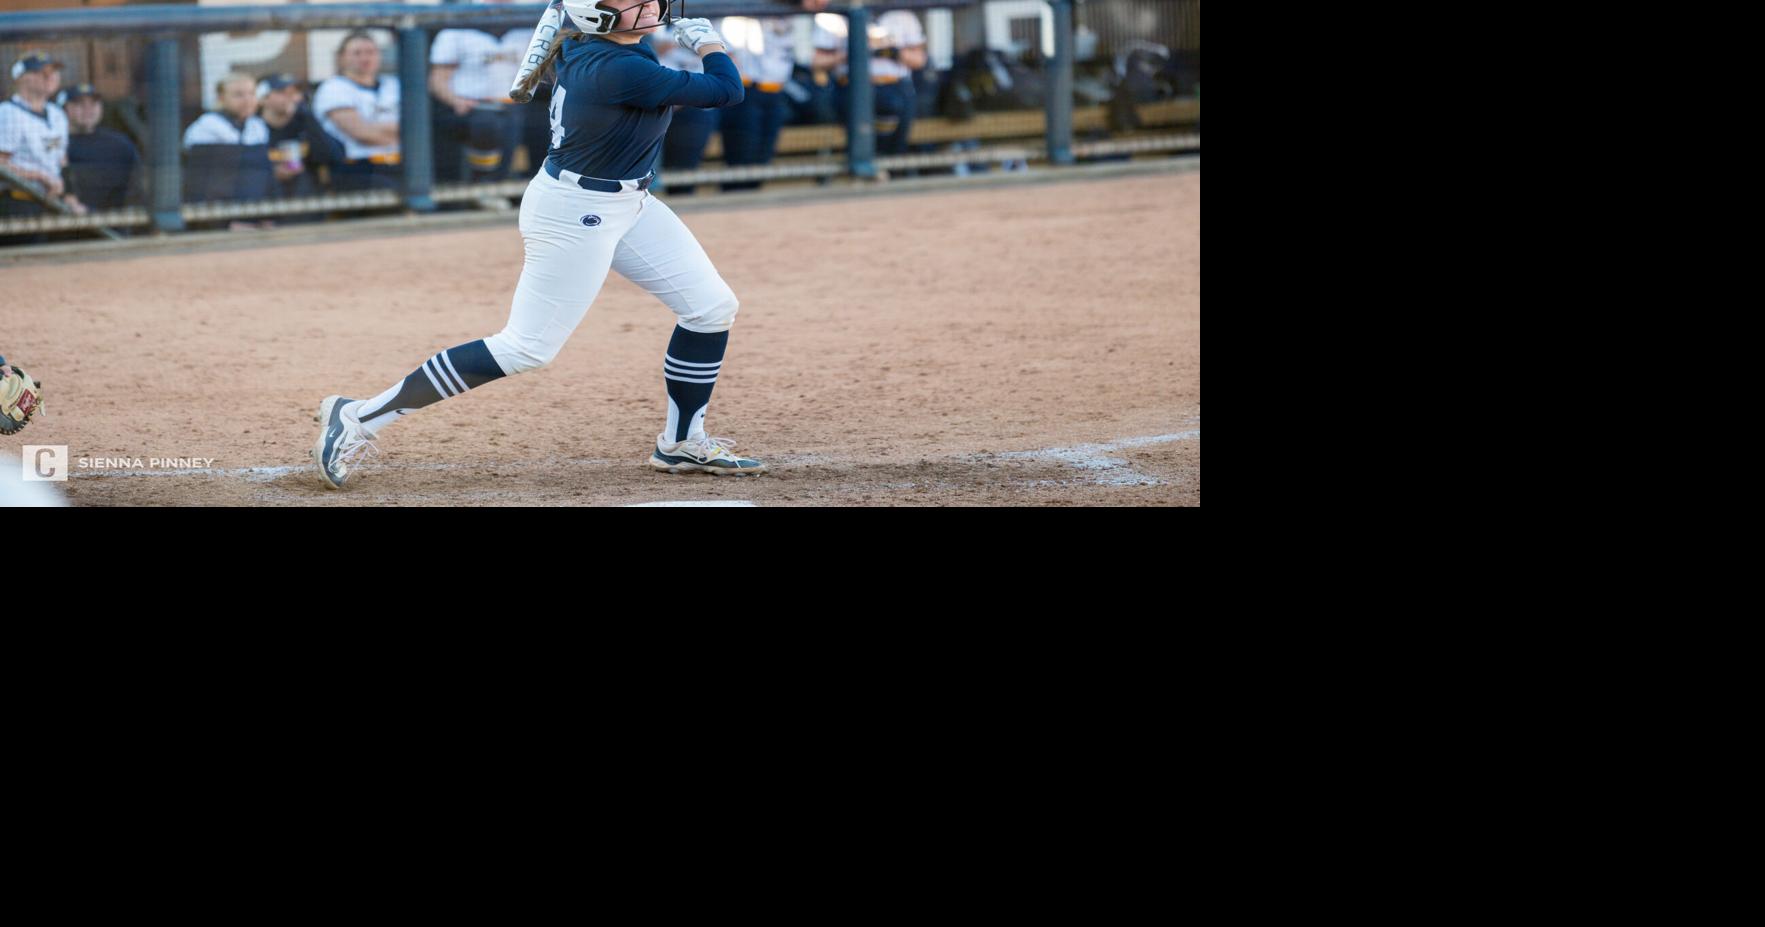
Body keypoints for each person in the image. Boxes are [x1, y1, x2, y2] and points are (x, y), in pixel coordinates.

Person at [310, 0, 765, 490]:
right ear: (601, 18)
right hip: (575, 212)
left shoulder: (602, 48)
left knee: (710, 307)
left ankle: (681, 441)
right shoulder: (619, 68)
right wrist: (709, 44)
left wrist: (653, 27)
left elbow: (642, 37)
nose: (652, 5)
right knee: (526, 347)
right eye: (634, 2)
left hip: (630, 201)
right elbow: (726, 90)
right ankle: (358, 416)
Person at [716, 1, 826, 192]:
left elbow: (805, 55)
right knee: (741, 161)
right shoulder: (746, 10)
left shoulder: (799, 17)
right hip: (746, 92)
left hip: (776, 91)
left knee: (763, 158)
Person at [429, 9, 530, 183]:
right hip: (470, 108)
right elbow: (437, 80)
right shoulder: (459, 24)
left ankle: (502, 187)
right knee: (486, 123)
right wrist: (456, 101)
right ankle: (481, 182)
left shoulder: (526, 23)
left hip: (512, 105)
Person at [814, 8, 927, 156]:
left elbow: (919, 60)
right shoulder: (835, 16)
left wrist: (893, 52)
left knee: (894, 106)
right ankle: (873, 161)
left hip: (896, 87)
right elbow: (817, 62)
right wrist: (852, 52)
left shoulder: (902, 14)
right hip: (851, 88)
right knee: (885, 104)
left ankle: (884, 164)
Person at [1, 52, 85, 246]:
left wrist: (70, 196)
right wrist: (39, 176)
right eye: (41, 72)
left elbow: (61, 160)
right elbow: (1, 164)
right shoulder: (8, 112)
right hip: (17, 202)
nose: (50, 77)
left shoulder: (56, 114)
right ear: (21, 78)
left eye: (53, 72)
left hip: (50, 202)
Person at [313, 31, 401, 192]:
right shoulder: (333, 87)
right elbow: (363, 134)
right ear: (341, 58)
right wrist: (399, 131)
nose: (365, 58)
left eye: (370, 52)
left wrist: (375, 128)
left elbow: (417, 129)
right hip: (358, 169)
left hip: (401, 163)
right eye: (357, 53)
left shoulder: (393, 85)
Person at [183, 72, 275, 211]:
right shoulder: (206, 125)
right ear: (221, 98)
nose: (247, 100)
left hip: (253, 204)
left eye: (251, 94)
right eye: (238, 95)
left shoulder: (257, 125)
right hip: (213, 209)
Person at [649, 20, 718, 196]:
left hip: (694, 102)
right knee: (645, 175)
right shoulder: (648, 13)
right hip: (652, 103)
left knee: (685, 173)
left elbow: (728, 59)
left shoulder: (703, 19)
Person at [257, 73, 338, 203]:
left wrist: (306, 117)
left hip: (307, 199)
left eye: (295, 92)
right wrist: (272, 172)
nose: (291, 98)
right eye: (282, 92)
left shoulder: (305, 122)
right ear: (263, 99)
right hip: (268, 198)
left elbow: (332, 156)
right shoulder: (254, 128)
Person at [61, 83, 141, 214]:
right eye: (79, 104)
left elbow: (136, 190)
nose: (88, 109)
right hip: (62, 224)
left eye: (94, 103)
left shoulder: (119, 145)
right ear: (64, 109)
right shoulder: (55, 144)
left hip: (114, 224)